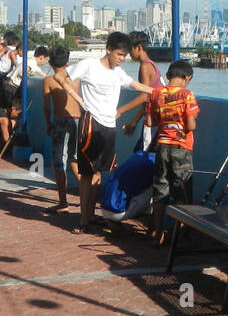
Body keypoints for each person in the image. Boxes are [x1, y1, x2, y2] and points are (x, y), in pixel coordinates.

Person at [67, 31, 155, 234]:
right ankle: (83, 220)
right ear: (108, 50)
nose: (121, 59)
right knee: (87, 174)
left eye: (124, 56)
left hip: (109, 127)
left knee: (99, 172)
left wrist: (164, 91)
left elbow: (138, 86)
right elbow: (64, 76)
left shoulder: (119, 73)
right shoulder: (89, 65)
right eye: (118, 55)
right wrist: (77, 98)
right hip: (91, 124)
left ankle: (90, 215)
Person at [145, 60, 198, 245]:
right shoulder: (187, 95)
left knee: (160, 190)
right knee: (182, 191)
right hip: (181, 147)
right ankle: (181, 235)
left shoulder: (155, 94)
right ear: (187, 77)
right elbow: (191, 125)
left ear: (168, 76)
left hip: (161, 146)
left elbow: (150, 122)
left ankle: (158, 233)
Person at [42, 46, 85, 211]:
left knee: (60, 162)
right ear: (67, 62)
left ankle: (63, 201)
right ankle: (86, 198)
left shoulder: (48, 81)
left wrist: (47, 123)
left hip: (60, 122)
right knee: (75, 160)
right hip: (78, 121)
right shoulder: (77, 80)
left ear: (50, 62)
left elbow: (46, 107)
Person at [121, 32, 162, 151]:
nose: (129, 54)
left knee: (145, 154)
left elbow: (144, 96)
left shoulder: (145, 66)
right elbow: (148, 99)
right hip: (155, 118)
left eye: (130, 50)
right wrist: (135, 121)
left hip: (152, 120)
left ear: (138, 48)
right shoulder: (152, 64)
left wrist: (121, 110)